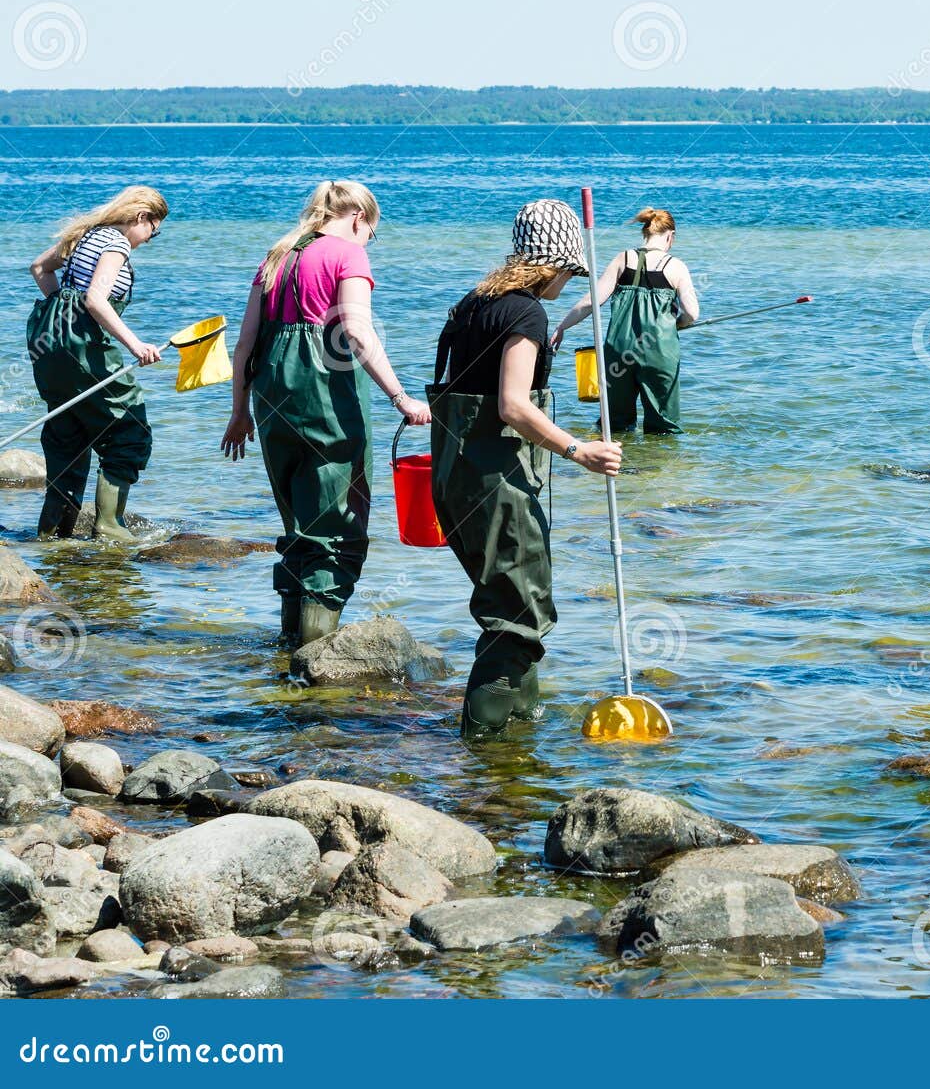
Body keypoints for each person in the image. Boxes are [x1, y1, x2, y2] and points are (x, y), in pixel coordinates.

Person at [429, 200, 623, 738]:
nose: (568, 282)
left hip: (453, 478)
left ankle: (520, 734)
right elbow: (513, 404)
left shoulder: (472, 303)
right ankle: (485, 746)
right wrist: (577, 450)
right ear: (557, 262)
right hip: (497, 481)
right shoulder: (527, 312)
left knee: (511, 606)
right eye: (570, 270)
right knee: (516, 618)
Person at [221, 181, 430, 648]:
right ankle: (315, 663)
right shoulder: (346, 254)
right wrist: (402, 398)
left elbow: (244, 345)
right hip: (326, 397)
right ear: (358, 217)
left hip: (272, 401)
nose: (366, 242)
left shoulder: (276, 256)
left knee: (298, 527)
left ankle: (288, 650)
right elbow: (356, 329)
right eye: (370, 233)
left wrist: (239, 413)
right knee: (337, 533)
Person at [26, 186, 169, 540]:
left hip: (50, 348)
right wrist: (137, 345)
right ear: (140, 217)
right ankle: (109, 526)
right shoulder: (116, 244)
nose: (151, 238)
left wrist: (63, 307)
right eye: (155, 228)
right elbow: (95, 300)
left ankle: (52, 537)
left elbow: (39, 268)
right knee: (129, 430)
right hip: (83, 349)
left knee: (66, 434)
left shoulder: (83, 235)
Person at [552, 207, 699, 433]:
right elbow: (692, 313)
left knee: (615, 424)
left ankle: (616, 462)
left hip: (619, 351)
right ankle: (658, 466)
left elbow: (591, 301)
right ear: (670, 236)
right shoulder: (676, 266)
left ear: (646, 232)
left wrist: (562, 326)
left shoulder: (624, 258)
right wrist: (676, 324)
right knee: (663, 427)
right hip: (660, 352)